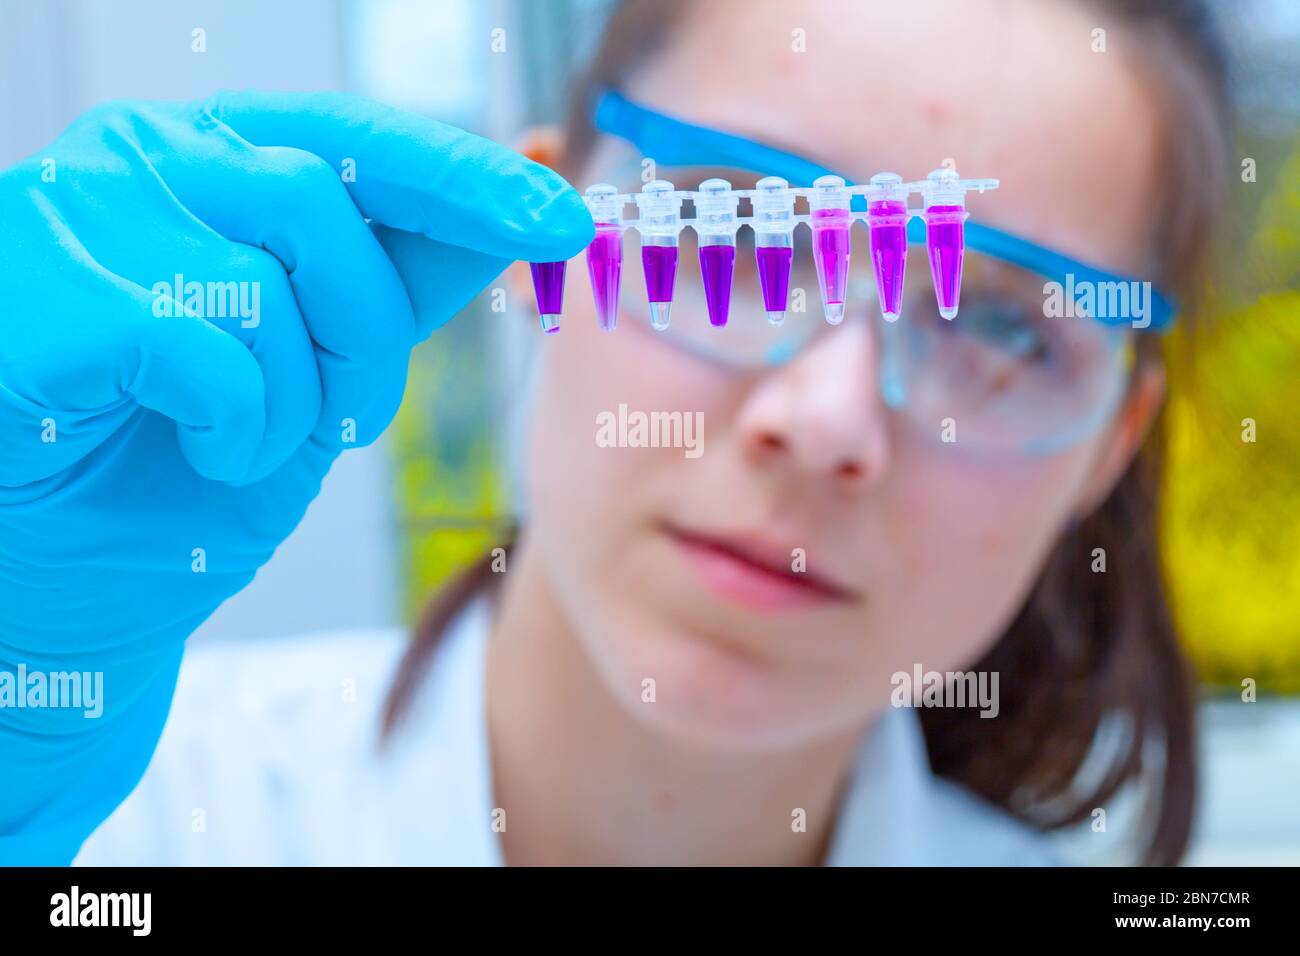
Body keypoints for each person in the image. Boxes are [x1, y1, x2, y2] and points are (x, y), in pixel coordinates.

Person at [3, 0, 1231, 866]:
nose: (825, 420)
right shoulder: (124, 829)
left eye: (1008, 332)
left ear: (1108, 445)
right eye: (736, 229)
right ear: (530, 239)